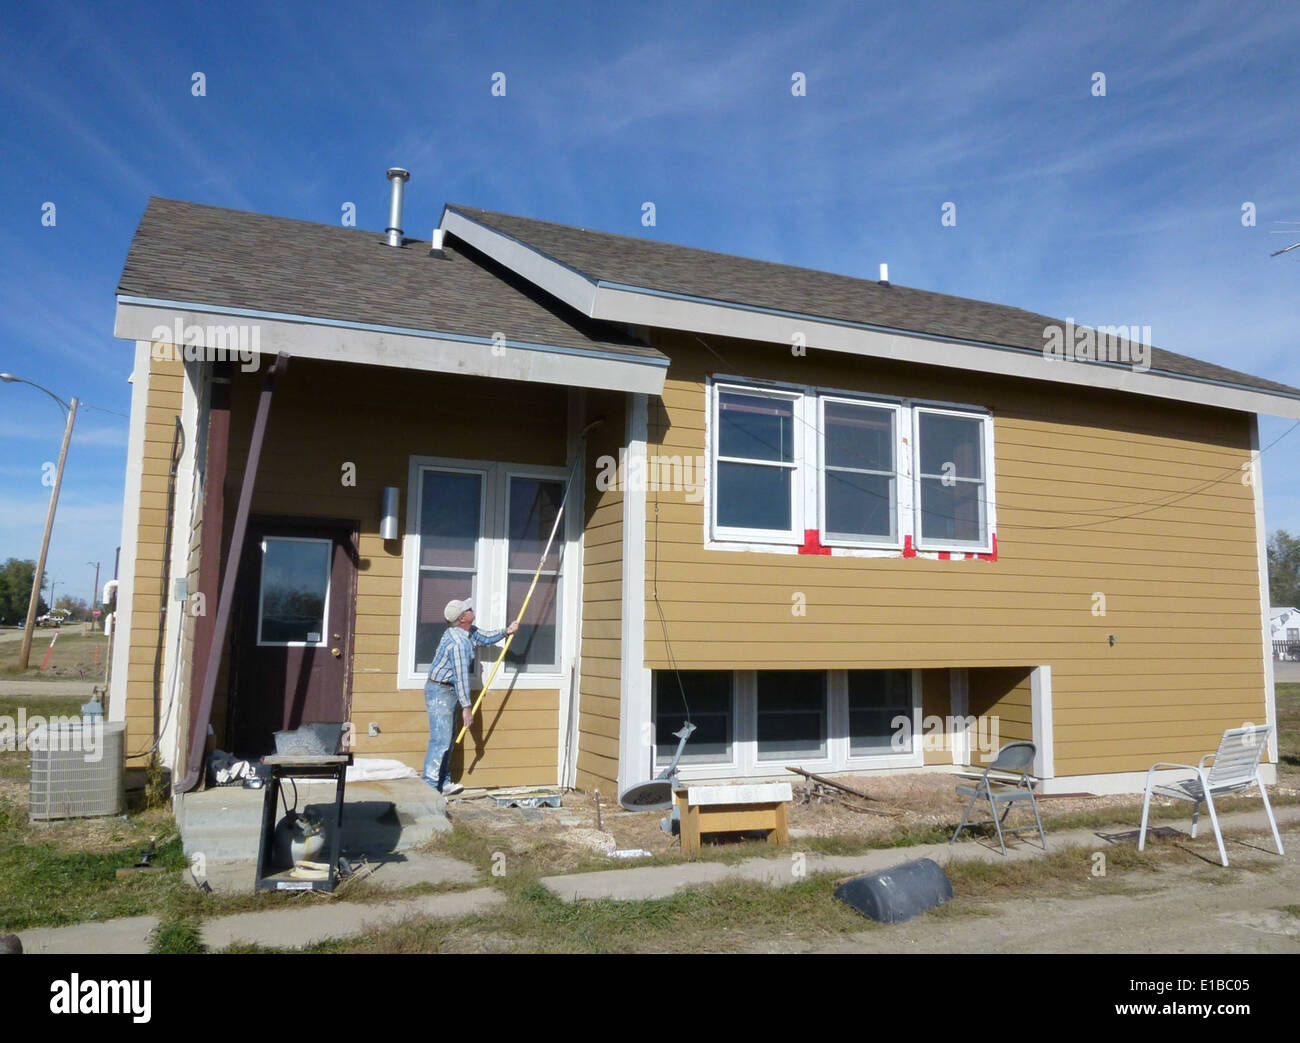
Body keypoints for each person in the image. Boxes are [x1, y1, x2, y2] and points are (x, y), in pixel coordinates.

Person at [424, 598, 518, 795]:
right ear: (462, 618)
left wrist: (506, 631)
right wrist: (467, 707)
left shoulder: (468, 632)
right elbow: (461, 677)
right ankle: (430, 788)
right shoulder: (458, 643)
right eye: (468, 609)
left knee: (449, 739)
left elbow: (484, 637)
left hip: (450, 690)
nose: (471, 608)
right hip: (440, 691)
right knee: (440, 740)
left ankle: (444, 782)